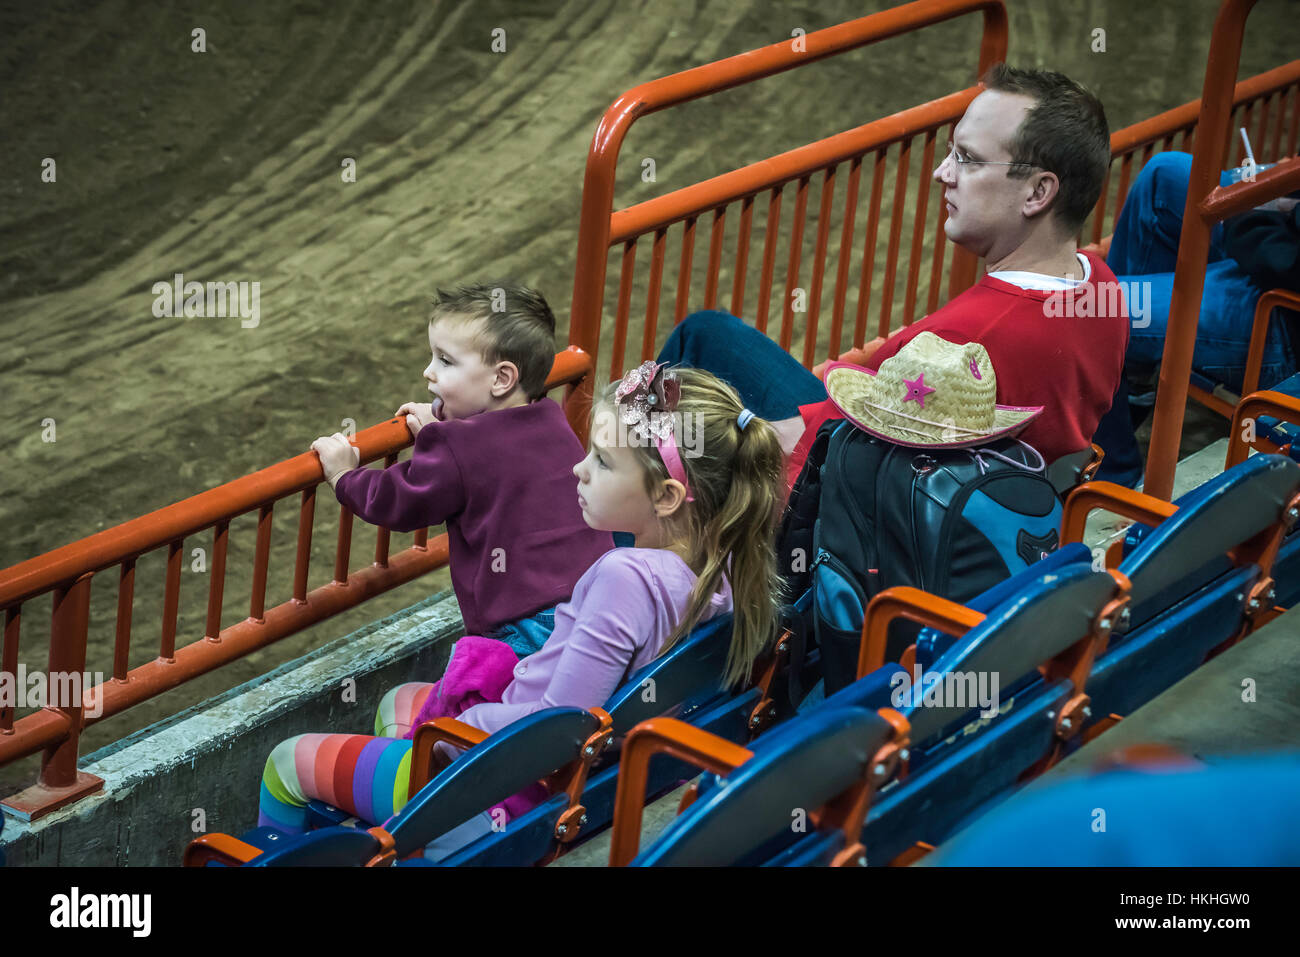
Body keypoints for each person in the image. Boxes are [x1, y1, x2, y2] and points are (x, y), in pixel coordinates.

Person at [258, 364, 788, 857]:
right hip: (608, 773)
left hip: (515, 795)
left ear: (669, 496)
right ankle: (396, 824)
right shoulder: (726, 568)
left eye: (602, 461)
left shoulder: (626, 578)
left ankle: (391, 829)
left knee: (284, 765)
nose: (578, 470)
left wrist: (465, 720)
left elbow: (557, 731)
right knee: (398, 700)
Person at [656, 63, 1128, 491]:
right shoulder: (1101, 285)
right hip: (1008, 510)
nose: (943, 173)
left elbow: (815, 452)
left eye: (968, 158)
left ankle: (618, 562)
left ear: (1038, 192)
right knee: (708, 337)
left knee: (692, 361)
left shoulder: (963, 340)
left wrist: (729, 430)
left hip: (843, 517)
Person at [310, 281, 613, 656]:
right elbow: (493, 457)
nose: (428, 372)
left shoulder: (458, 446)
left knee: (491, 701)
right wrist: (443, 432)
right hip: (596, 599)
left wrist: (345, 476)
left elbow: (400, 500)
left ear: (502, 379)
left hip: (524, 624)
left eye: (445, 361)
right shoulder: (552, 419)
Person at [1091, 150, 1300, 487]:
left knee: (1098, 306)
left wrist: (1251, 207)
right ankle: (1130, 378)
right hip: (1275, 245)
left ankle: (1111, 478)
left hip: (1283, 314)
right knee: (1165, 174)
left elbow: (1281, 263)